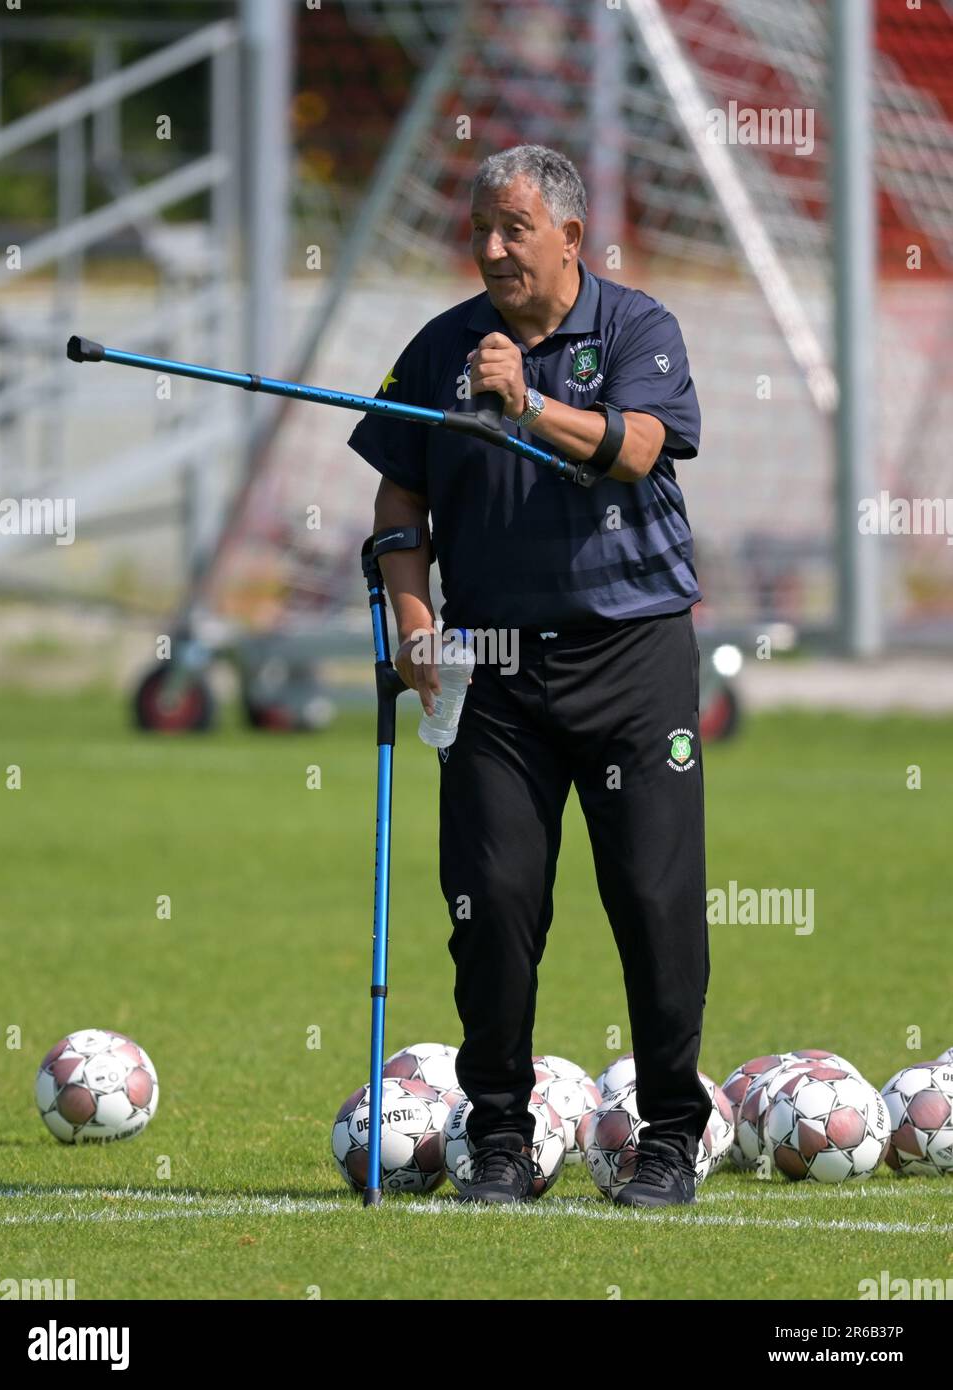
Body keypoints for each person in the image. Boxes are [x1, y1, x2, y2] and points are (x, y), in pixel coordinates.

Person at [347, 144, 711, 1207]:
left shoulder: (638, 326)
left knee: (653, 899)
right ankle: (500, 1136)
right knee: (493, 902)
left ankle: (670, 1138)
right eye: (480, 229)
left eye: (514, 228)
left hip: (632, 656)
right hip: (493, 669)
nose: (493, 248)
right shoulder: (440, 347)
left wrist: (524, 403)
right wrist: (415, 619)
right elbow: (398, 496)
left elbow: (638, 449)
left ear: (570, 237)